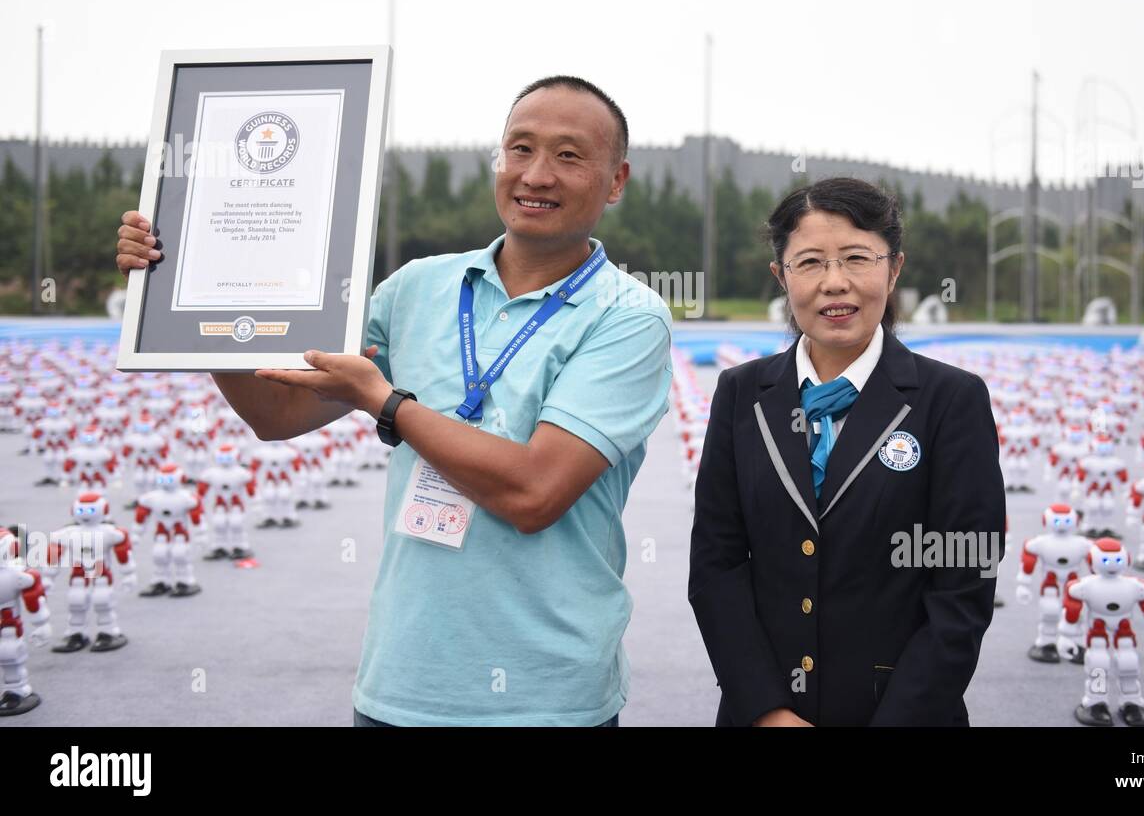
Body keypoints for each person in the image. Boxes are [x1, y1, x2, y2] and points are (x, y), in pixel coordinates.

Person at [116, 76, 674, 726]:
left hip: (547, 697)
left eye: (569, 155)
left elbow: (536, 494)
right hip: (401, 688)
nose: (536, 174)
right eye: (519, 149)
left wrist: (387, 404)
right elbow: (276, 414)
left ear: (616, 180)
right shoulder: (417, 288)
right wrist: (190, 291)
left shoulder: (630, 317)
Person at [688, 176, 1004, 726]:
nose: (835, 283)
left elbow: (961, 587)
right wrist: (768, 711)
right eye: (809, 262)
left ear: (895, 268)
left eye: (857, 258)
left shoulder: (950, 401)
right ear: (780, 277)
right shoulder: (742, 394)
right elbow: (717, 566)